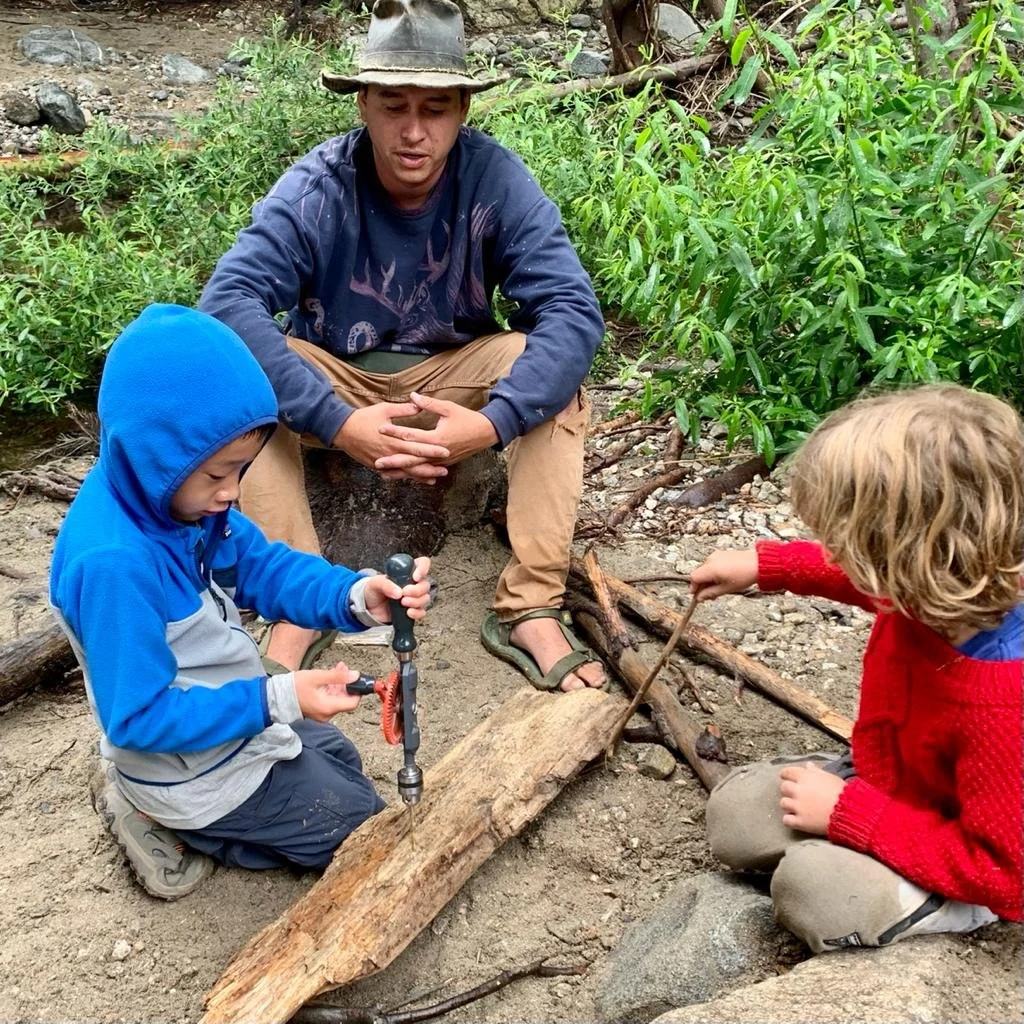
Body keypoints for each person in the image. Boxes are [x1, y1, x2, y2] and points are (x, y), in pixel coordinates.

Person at [198, 0, 607, 693]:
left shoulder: (494, 179)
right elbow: (228, 301)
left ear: (463, 112)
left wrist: (492, 423)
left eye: (436, 108)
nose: (414, 132)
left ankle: (529, 605)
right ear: (363, 103)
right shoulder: (317, 185)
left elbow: (571, 309)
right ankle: (300, 600)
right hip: (336, 382)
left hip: (451, 379)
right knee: (235, 372)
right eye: (394, 106)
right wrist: (336, 422)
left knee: (551, 376)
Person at [49, 304, 432, 900]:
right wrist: (279, 694)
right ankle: (160, 819)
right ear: (155, 456)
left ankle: (171, 799)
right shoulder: (114, 566)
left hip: (221, 717)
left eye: (242, 471)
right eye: (218, 475)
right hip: (184, 766)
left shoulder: (183, 503)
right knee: (356, 819)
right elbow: (139, 718)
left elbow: (263, 568)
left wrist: (355, 597)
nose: (232, 493)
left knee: (336, 755)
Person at [690, 384, 1022, 952]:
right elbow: (857, 577)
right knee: (738, 817)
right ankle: (852, 835)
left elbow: (1006, 874)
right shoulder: (938, 589)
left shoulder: (1004, 705)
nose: (835, 555)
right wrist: (764, 566)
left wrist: (852, 815)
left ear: (912, 559)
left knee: (815, 889)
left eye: (848, 544)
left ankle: (948, 913)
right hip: (889, 780)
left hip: (974, 859)